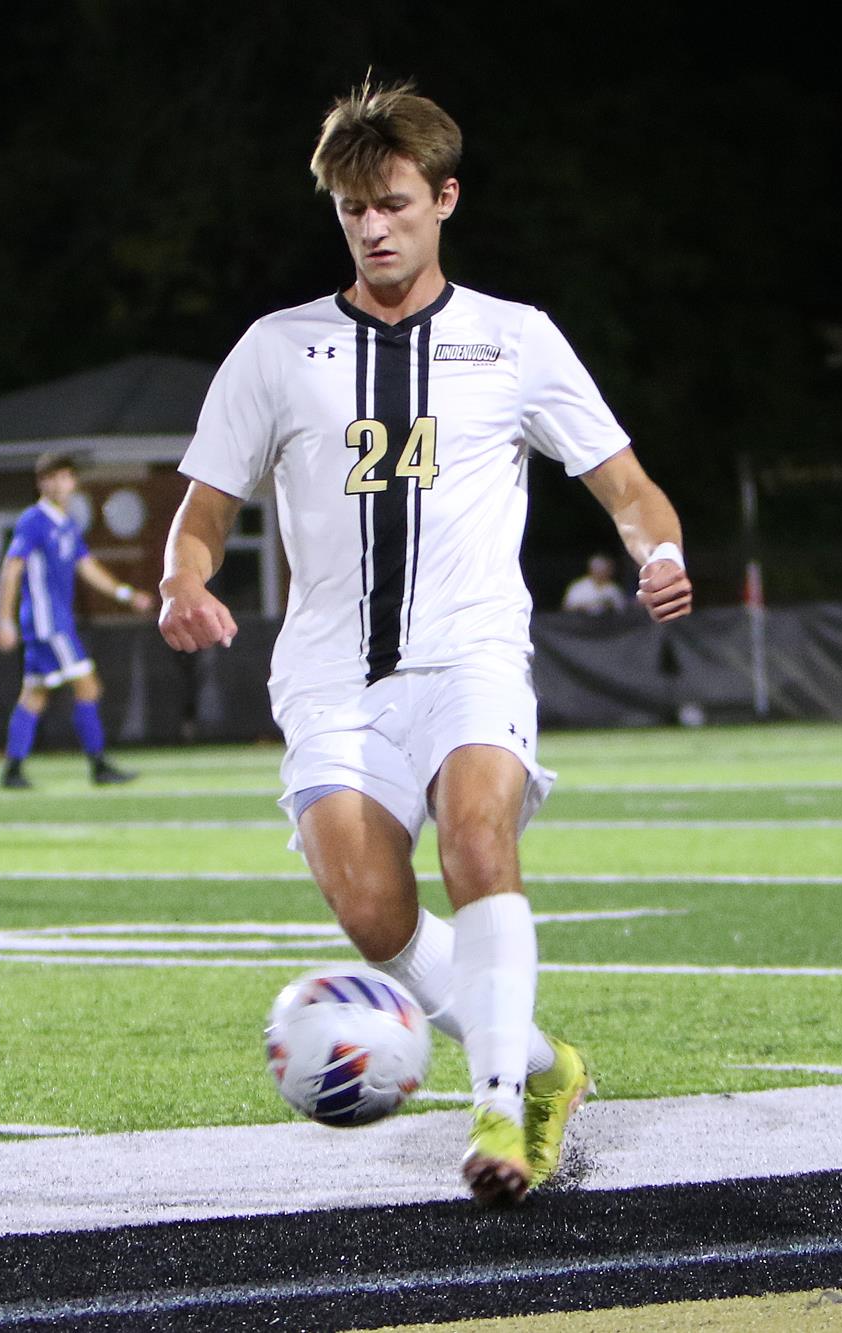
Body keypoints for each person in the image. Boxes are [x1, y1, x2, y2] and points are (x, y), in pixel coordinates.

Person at [158, 80, 693, 1206]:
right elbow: (203, 507)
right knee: (371, 912)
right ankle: (549, 1066)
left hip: (470, 658)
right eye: (353, 211)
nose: (374, 228)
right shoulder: (275, 348)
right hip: (329, 678)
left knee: (477, 834)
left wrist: (654, 552)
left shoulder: (515, 340)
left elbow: (628, 486)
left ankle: (498, 1102)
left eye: (394, 204)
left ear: (443, 198)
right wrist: (181, 581)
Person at [0, 452, 154, 789]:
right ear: (41, 483)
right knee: (88, 686)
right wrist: (3, 619)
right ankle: (98, 765)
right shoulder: (33, 521)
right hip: (48, 624)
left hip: (52, 623)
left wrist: (127, 595)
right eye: (51, 477)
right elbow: (12, 569)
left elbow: (87, 567)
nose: (59, 483)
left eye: (65, 477)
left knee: (34, 695)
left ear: (73, 482)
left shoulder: (66, 524)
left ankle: (12, 771)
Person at [560, 553, 630, 615]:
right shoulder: (579, 587)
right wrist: (583, 607)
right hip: (580, 625)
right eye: (599, 570)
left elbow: (622, 610)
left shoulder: (614, 589)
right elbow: (567, 608)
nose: (602, 573)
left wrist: (609, 606)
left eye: (605, 570)